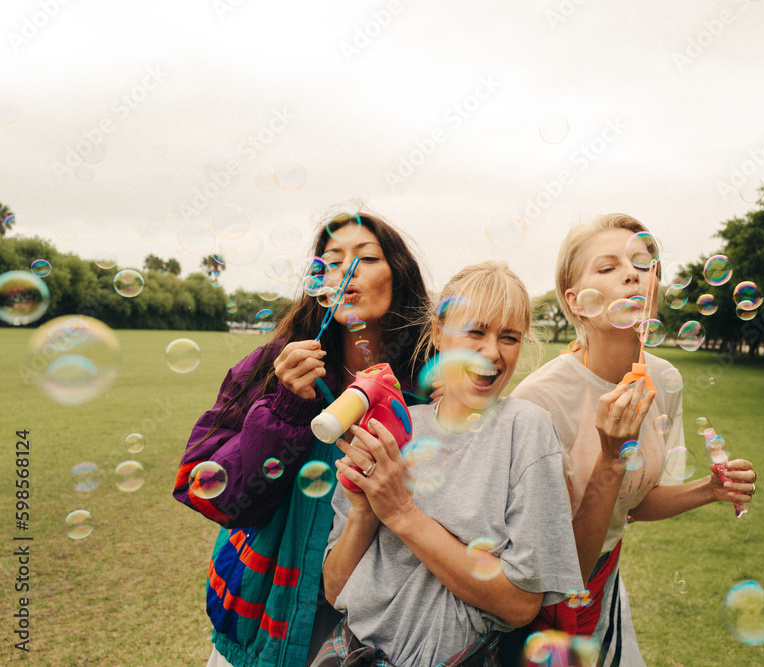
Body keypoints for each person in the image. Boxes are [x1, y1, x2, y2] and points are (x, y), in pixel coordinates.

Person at [174, 208, 432, 667]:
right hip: (268, 615)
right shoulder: (274, 365)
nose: (347, 270)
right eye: (332, 260)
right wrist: (286, 405)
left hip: (382, 623)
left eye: (366, 257)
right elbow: (208, 489)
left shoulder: (427, 385)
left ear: (399, 275)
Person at [508, 214, 758, 666]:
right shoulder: (539, 399)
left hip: (605, 586)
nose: (631, 274)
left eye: (642, 264)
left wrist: (710, 489)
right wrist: (609, 457)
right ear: (576, 301)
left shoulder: (664, 379)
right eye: (606, 269)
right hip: (542, 601)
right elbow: (564, 562)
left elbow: (635, 505)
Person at [312, 261, 584, 667]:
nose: (492, 352)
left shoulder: (525, 428)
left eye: (508, 338)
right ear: (438, 332)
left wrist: (401, 511)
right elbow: (335, 591)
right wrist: (364, 512)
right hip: (349, 654)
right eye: (475, 331)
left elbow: (521, 605)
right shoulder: (393, 428)